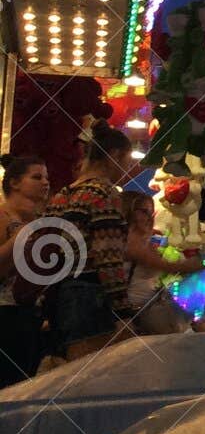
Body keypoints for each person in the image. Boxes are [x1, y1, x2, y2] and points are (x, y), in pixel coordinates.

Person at [41, 122, 141, 354]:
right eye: (127, 159)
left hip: (60, 295)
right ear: (114, 155)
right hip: (91, 297)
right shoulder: (103, 194)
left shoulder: (62, 195)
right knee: (90, 371)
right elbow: (108, 257)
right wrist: (122, 312)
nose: (127, 167)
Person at [121, 190, 204, 336]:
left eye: (151, 213)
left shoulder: (142, 239)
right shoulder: (131, 242)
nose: (149, 217)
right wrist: (204, 265)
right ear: (130, 211)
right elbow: (168, 267)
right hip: (142, 314)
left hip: (151, 307)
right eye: (144, 212)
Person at [1, 152, 50, 385]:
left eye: (46, 178)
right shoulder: (2, 216)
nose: (45, 182)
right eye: (36, 177)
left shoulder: (39, 220)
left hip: (29, 315)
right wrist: (17, 239)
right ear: (14, 183)